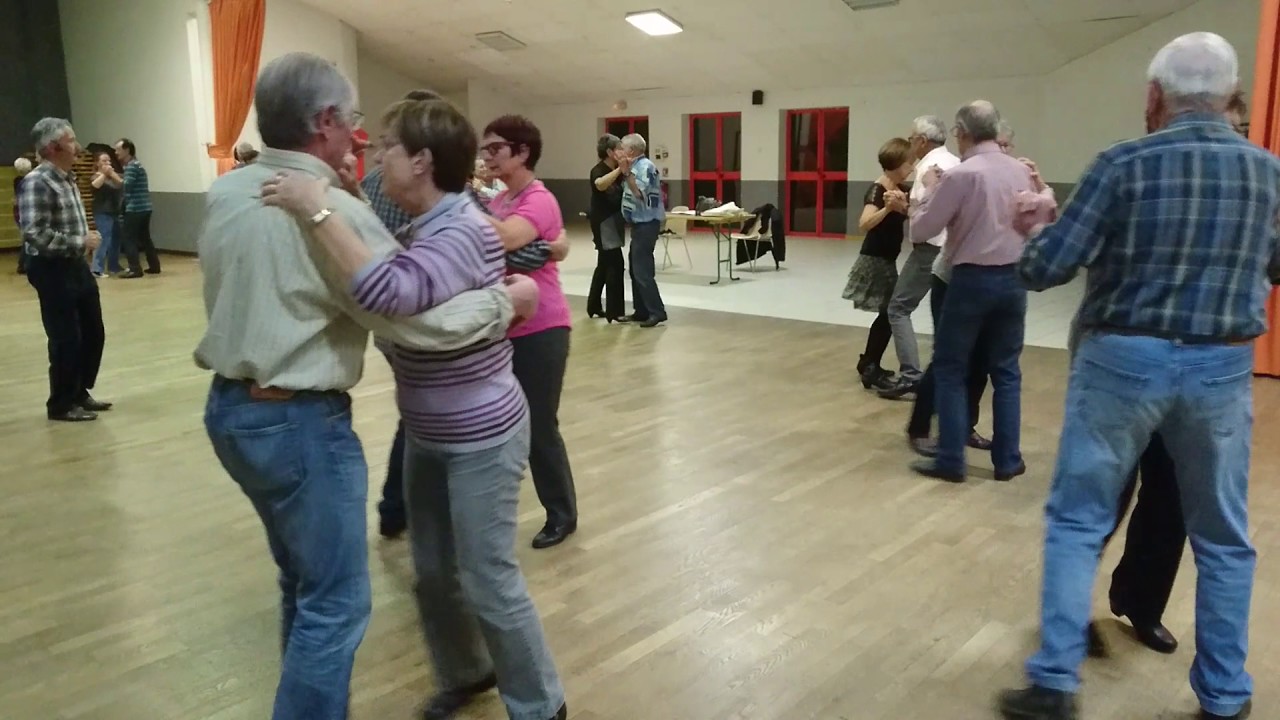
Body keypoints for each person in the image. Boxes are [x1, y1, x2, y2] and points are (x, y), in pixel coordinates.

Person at [194, 52, 537, 720]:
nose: (364, 145)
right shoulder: (331, 218)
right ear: (325, 122)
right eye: (354, 125)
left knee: (303, 581)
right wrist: (507, 303)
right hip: (298, 425)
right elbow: (417, 326)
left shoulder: (229, 189)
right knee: (338, 604)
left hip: (231, 415)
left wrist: (344, 199)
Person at [998, 32, 1280, 720]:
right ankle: (1224, 696)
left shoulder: (1120, 165)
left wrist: (1035, 224)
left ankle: (1056, 684)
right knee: (1223, 537)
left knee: (1077, 519)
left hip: (1121, 361)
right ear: (1230, 99)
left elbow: (1045, 268)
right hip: (1222, 366)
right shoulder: (1268, 172)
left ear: (1154, 97)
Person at [263, 95, 567, 720]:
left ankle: (541, 706)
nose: (374, 160)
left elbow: (388, 290)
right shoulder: (426, 220)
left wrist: (314, 203)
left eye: (386, 151)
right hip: (429, 431)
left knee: (488, 578)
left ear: (423, 161)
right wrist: (346, 195)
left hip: (483, 433)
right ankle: (468, 670)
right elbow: (383, 248)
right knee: (431, 574)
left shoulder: (463, 229)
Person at [907, 101, 1038, 483]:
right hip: (1014, 280)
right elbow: (1036, 225)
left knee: (950, 367)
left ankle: (950, 459)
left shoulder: (963, 175)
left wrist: (929, 192)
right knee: (1007, 371)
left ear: (962, 133)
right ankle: (1008, 459)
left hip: (971, 280)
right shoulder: (1021, 171)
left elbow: (922, 230)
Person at [481, 114, 581, 550]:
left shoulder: (538, 199)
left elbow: (501, 240)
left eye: (496, 148)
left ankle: (562, 514)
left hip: (542, 328)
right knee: (504, 424)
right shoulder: (502, 198)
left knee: (539, 425)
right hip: (506, 325)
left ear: (522, 152)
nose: (487, 157)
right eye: (484, 149)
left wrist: (460, 204)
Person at [357, 87, 444, 540]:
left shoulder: (371, 183)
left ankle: (397, 507)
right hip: (415, 317)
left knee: (416, 411)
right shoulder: (425, 188)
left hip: (390, 322)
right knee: (422, 416)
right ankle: (403, 505)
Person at [18, 119, 111, 422]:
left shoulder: (67, 177)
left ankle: (79, 391)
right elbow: (34, 232)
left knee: (93, 332)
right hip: (50, 267)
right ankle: (61, 403)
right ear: (53, 147)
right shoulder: (37, 181)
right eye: (71, 140)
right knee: (65, 337)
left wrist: (83, 243)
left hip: (74, 264)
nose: (78, 146)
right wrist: (79, 241)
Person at [880, 117, 956, 397]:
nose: (910, 145)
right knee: (947, 315)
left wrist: (902, 207)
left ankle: (911, 375)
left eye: (912, 139)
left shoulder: (928, 167)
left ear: (923, 141)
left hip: (930, 248)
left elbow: (926, 216)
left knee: (898, 308)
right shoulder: (956, 163)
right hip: (954, 247)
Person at [841, 138, 915, 391]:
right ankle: (870, 366)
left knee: (888, 314)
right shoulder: (878, 189)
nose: (912, 167)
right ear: (896, 164)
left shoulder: (899, 187)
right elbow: (864, 223)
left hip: (886, 258)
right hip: (875, 259)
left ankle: (869, 362)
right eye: (908, 163)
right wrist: (887, 209)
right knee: (890, 313)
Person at [617, 132, 667, 327]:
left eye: (622, 147)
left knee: (642, 270)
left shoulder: (645, 167)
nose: (619, 151)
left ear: (632, 150)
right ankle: (641, 310)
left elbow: (639, 193)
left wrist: (627, 173)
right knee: (634, 268)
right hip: (638, 224)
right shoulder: (634, 166)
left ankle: (657, 311)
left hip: (647, 223)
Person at [587, 133, 627, 321]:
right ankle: (615, 311)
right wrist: (620, 169)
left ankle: (593, 305)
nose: (622, 151)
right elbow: (600, 184)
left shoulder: (617, 171)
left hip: (614, 221)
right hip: (604, 222)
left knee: (603, 265)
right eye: (619, 148)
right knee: (615, 264)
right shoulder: (599, 169)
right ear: (610, 152)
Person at [115, 137, 160, 277]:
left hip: (135, 208)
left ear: (127, 150)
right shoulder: (136, 165)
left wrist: (111, 175)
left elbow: (127, 186)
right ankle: (154, 266)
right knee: (145, 237)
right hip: (145, 207)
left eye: (118, 149)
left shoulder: (132, 166)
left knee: (129, 238)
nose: (116, 152)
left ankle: (135, 269)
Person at [89, 151, 124, 277]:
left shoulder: (113, 177)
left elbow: (120, 183)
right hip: (102, 212)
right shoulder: (95, 176)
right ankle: (96, 268)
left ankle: (114, 266)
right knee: (104, 239)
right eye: (104, 161)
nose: (107, 163)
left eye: (109, 161)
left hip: (115, 211)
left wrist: (112, 173)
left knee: (116, 240)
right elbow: (95, 186)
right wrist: (104, 174)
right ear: (97, 163)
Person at [14, 156, 32, 274]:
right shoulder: (25, 181)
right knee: (28, 238)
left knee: (27, 238)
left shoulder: (18, 180)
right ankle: (22, 265)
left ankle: (24, 264)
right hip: (23, 210)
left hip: (19, 210)